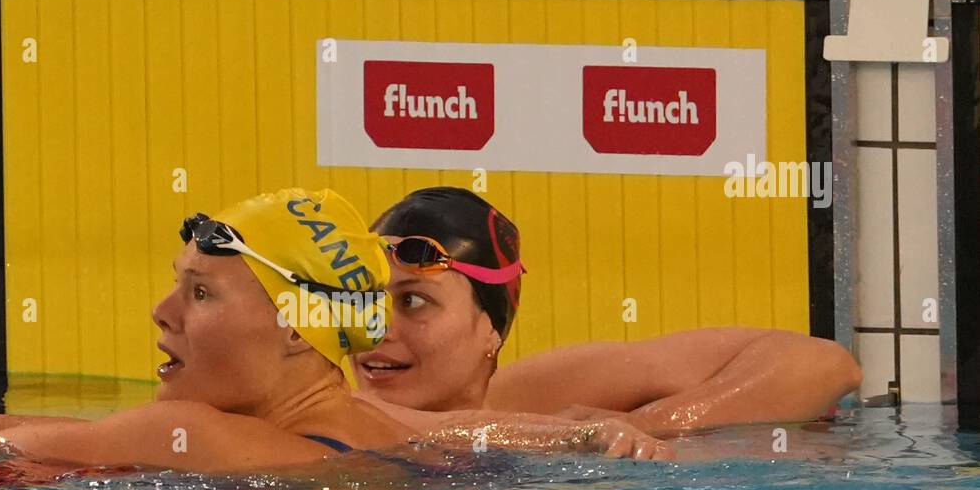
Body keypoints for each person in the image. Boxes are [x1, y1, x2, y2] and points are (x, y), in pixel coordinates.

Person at [0, 188, 673, 471]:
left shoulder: (193, 436)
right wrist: (593, 434)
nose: (162, 315)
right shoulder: (380, 431)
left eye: (201, 295)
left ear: (298, 328)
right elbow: (483, 436)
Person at [354, 187, 862, 436]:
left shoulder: (535, 397)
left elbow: (824, 364)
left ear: (491, 327)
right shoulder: (316, 416)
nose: (376, 327)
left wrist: (655, 423)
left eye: (413, 301)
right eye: (365, 297)